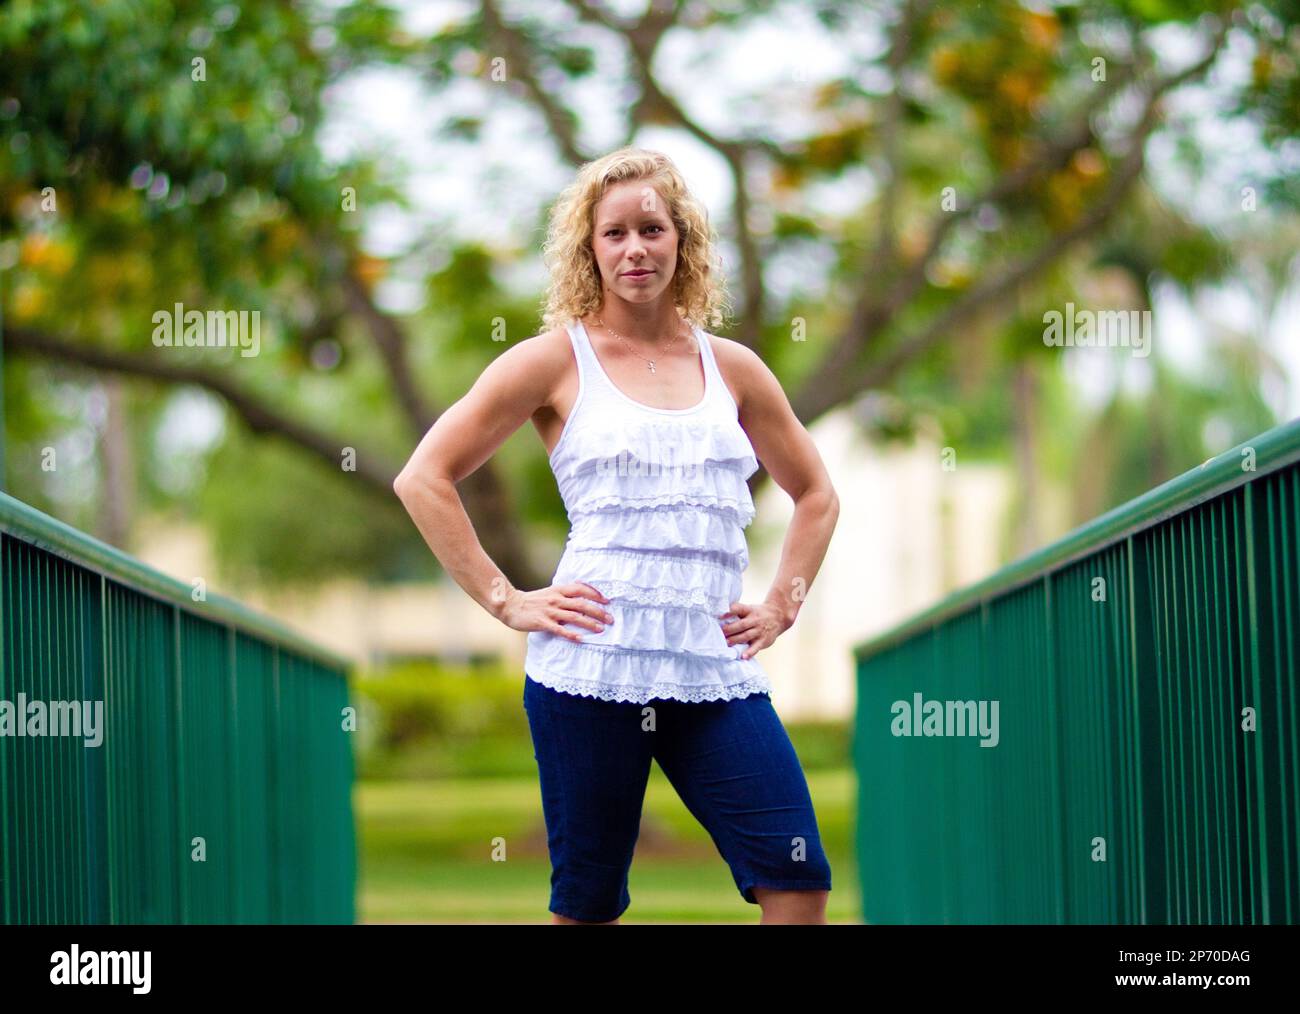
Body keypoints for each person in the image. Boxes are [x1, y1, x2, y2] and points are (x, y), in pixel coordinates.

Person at [393, 147, 840, 925]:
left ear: (683, 243)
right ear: (589, 250)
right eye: (615, 234)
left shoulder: (734, 369)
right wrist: (506, 601)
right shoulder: (552, 363)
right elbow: (424, 477)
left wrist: (781, 604)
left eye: (653, 229)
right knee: (590, 904)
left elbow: (817, 494)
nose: (635, 248)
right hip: (588, 669)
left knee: (796, 875)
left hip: (711, 668)